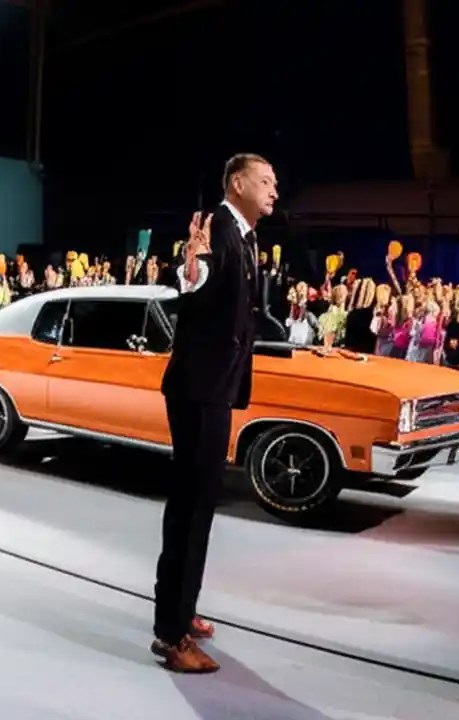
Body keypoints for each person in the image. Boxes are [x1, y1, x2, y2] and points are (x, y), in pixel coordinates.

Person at [151, 153, 276, 673]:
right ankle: (172, 635)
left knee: (198, 503)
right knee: (192, 506)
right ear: (238, 182)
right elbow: (192, 279)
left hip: (213, 386)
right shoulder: (219, 229)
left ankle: (182, 610)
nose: (274, 190)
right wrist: (190, 266)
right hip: (200, 388)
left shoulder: (244, 235)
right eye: (266, 181)